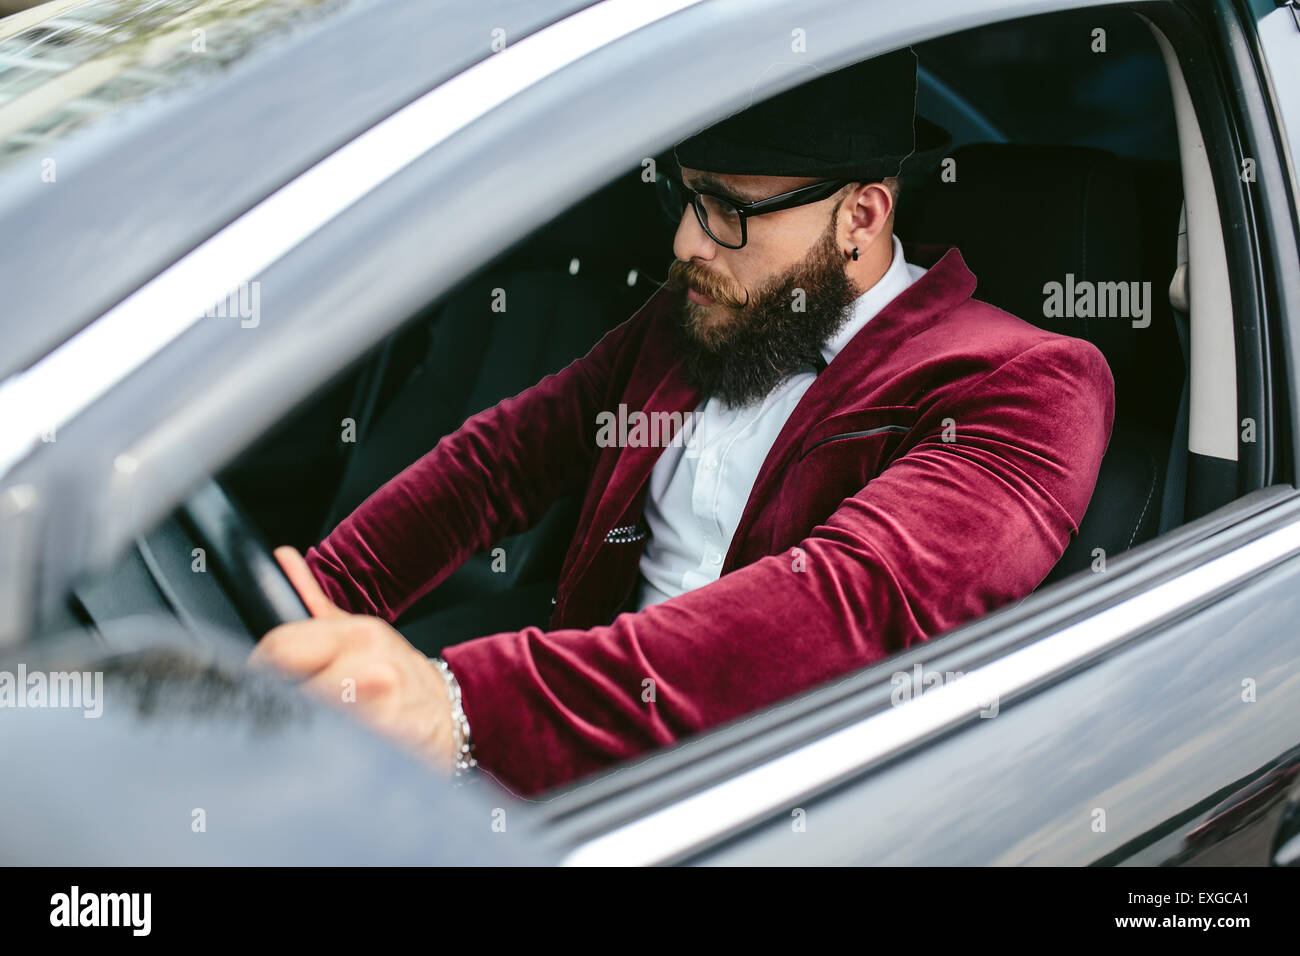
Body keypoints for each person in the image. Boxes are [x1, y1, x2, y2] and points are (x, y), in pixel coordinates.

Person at [252, 49, 1115, 797]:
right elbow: (502, 462)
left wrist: (459, 706)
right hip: (566, 742)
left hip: (750, 801)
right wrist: (319, 600)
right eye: (685, 198)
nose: (686, 245)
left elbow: (836, 615)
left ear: (860, 217)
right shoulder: (695, 315)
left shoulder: (1025, 385)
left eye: (727, 209)